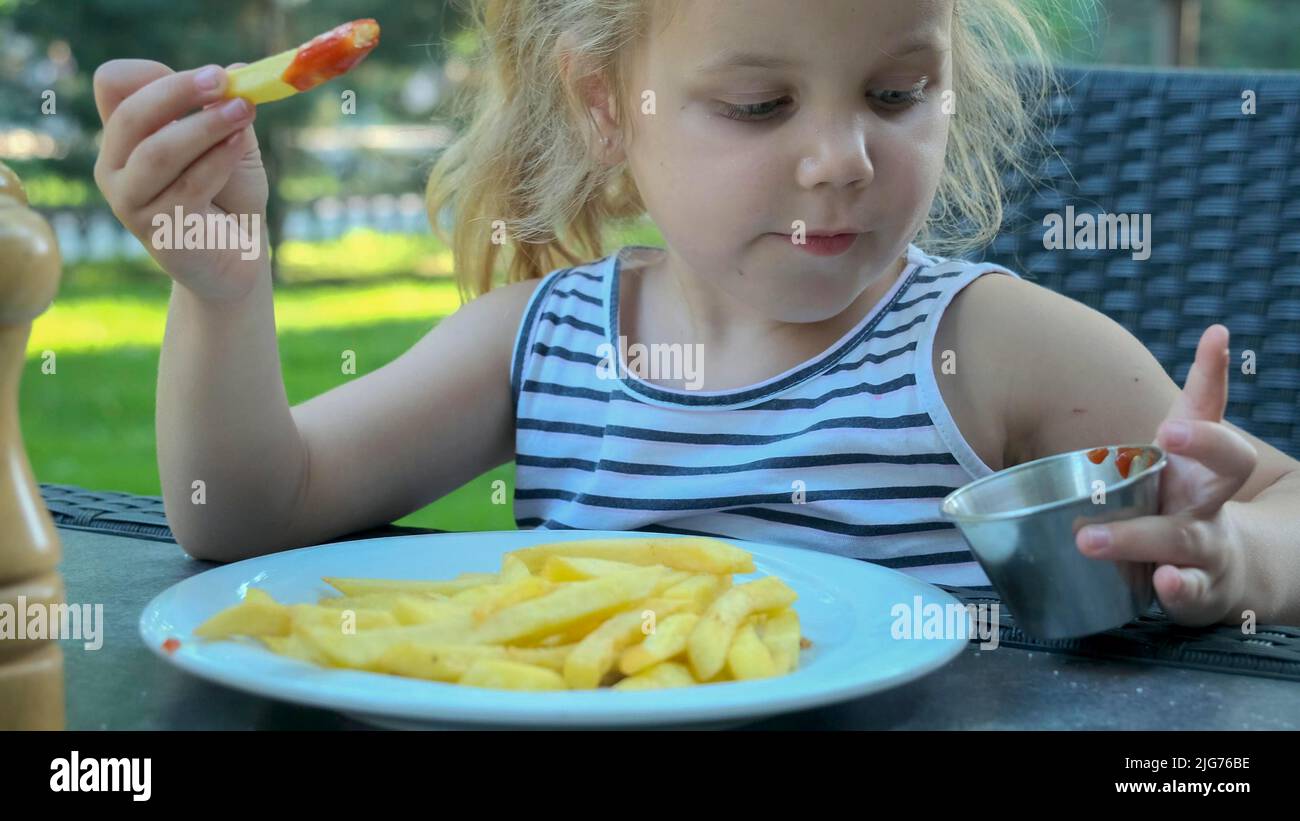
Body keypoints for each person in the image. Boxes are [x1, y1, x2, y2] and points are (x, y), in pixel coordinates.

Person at [92, 0, 1300, 628]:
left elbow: (1277, 506)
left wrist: (1235, 550)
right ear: (608, 104)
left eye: (896, 92)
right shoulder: (542, 342)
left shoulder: (985, 347)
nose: (839, 160)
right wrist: (221, 289)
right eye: (761, 105)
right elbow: (240, 518)